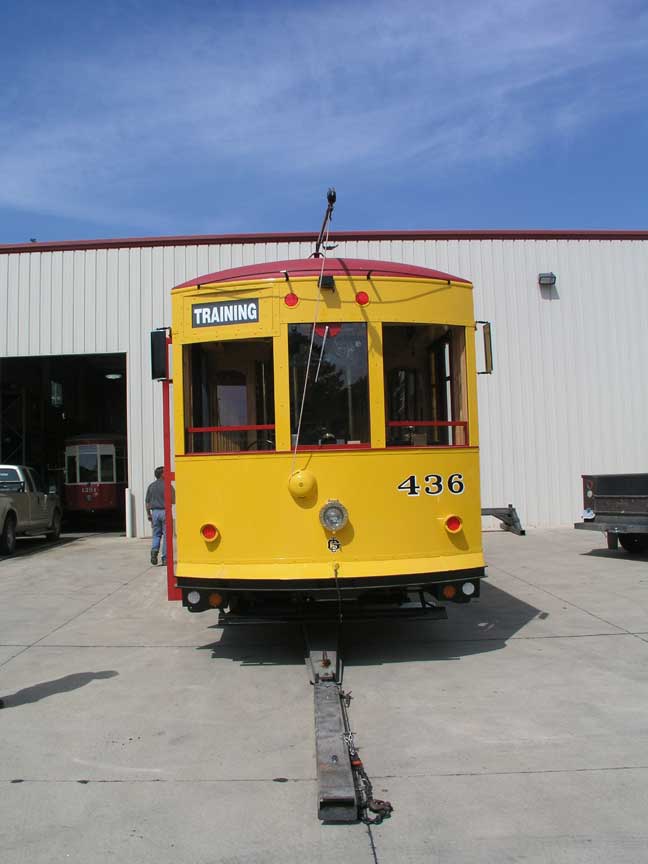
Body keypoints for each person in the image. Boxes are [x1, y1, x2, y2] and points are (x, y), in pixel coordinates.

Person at [145, 466, 173, 565]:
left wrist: (149, 515)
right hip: (165, 512)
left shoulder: (151, 486)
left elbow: (147, 503)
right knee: (166, 535)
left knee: (156, 535)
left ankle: (154, 551)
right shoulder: (168, 485)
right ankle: (165, 558)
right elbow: (173, 499)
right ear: (162, 474)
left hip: (155, 512)